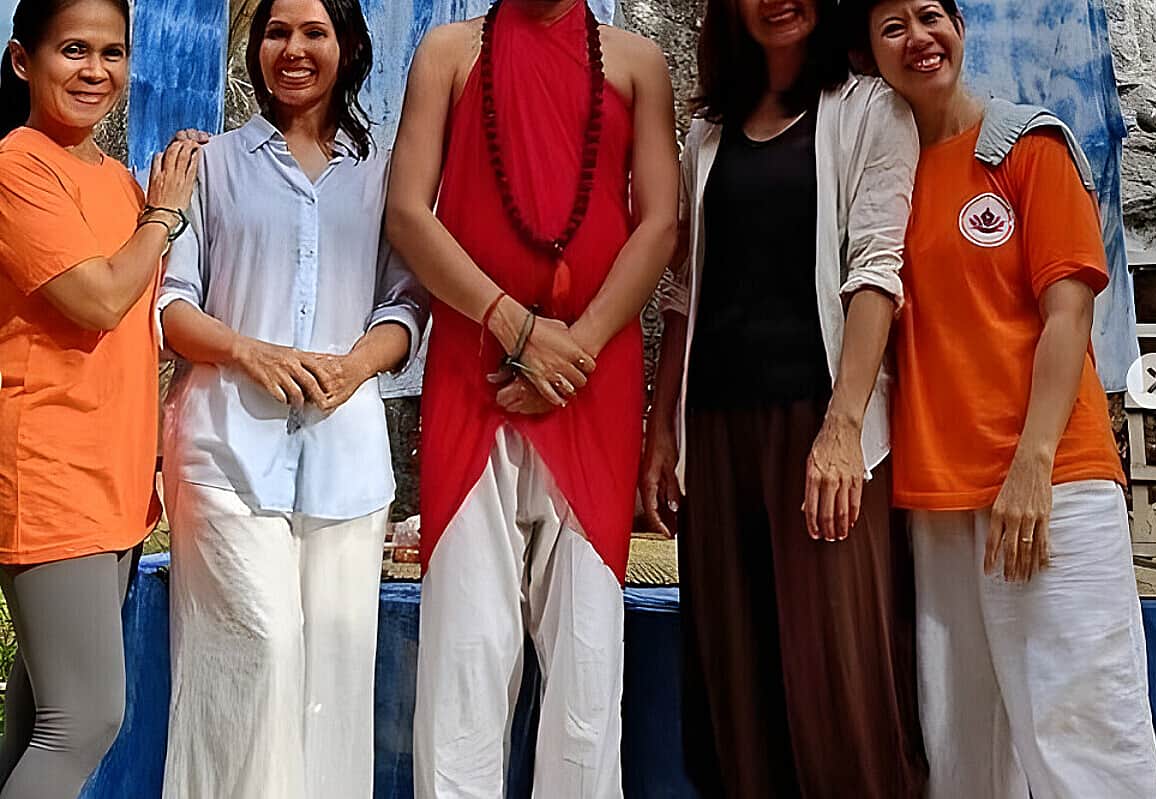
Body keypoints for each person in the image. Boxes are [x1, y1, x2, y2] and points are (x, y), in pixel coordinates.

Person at [844, 0, 1156, 796]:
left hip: (1050, 482)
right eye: (893, 27)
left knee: (1082, 736)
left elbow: (1069, 311)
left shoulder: (1025, 143)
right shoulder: (883, 177)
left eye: (930, 15)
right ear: (868, 53)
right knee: (963, 750)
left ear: (960, 26)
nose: (918, 38)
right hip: (939, 500)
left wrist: (1034, 463)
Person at [386, 0, 677, 794]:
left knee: (587, 657)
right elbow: (409, 210)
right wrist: (515, 327)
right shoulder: (447, 53)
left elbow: (660, 221)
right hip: (475, 372)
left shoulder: (636, 61)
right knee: (464, 651)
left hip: (593, 382)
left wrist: (571, 351)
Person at [639, 0, 929, 796]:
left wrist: (841, 429)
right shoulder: (707, 132)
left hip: (821, 428)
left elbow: (878, 271)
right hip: (717, 428)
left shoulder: (872, 108)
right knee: (735, 684)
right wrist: (661, 426)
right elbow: (682, 292)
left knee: (838, 680)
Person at [156, 0, 428, 795]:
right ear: (255, 46)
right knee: (255, 656)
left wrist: (354, 367)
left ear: (348, 46)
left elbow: (407, 304)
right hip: (225, 453)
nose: (295, 49)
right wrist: (248, 349)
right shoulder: (211, 164)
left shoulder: (384, 175)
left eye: (315, 32)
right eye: (277, 31)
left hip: (346, 464)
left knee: (333, 687)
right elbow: (172, 306)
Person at [0, 0, 200, 796]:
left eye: (112, 53)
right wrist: (164, 212)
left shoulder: (112, 177)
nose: (95, 71)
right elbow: (98, 300)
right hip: (52, 473)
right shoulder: (18, 165)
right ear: (24, 61)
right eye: (74, 50)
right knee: (84, 720)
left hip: (114, 482)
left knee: (40, 716)